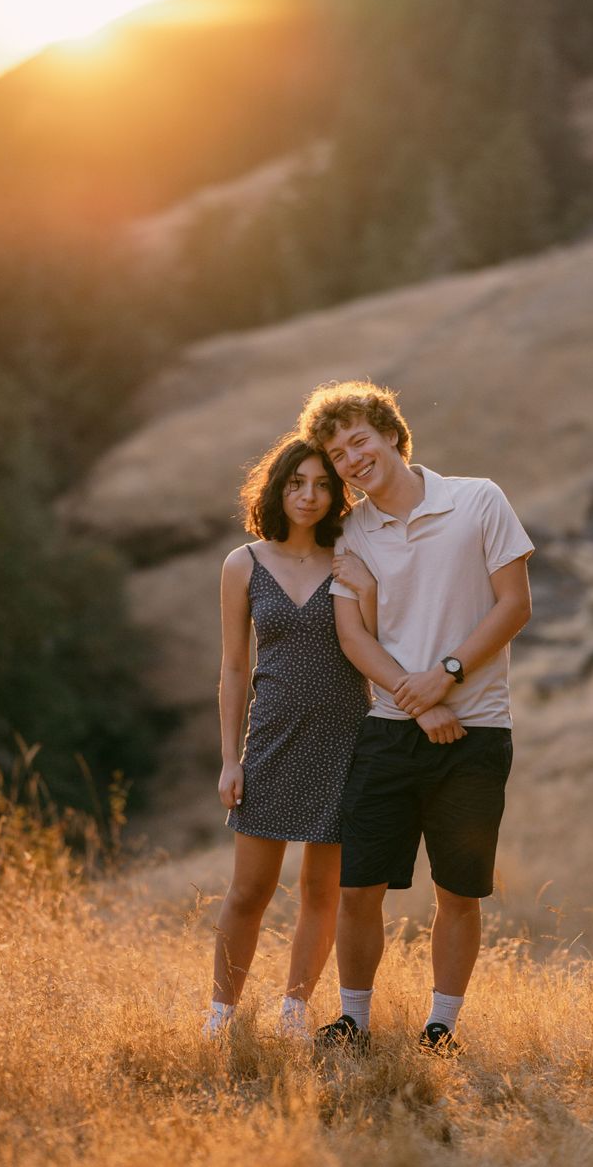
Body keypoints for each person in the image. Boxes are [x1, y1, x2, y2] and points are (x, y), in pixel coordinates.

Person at [297, 380, 533, 1055]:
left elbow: (514, 604)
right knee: (358, 886)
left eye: (359, 441)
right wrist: (418, 700)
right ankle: (354, 1021)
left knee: (457, 892)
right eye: (338, 454)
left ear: (393, 436)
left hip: (478, 731)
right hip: (389, 731)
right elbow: (354, 637)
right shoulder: (351, 533)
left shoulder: (478, 500)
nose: (352, 459)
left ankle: (441, 1027)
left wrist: (445, 675)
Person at [205, 433, 374, 1040]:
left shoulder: (350, 557)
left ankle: (293, 1015)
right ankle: (220, 1018)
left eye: (324, 484)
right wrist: (230, 759)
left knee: (321, 892)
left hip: (345, 740)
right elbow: (233, 667)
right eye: (297, 483)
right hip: (271, 741)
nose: (309, 495)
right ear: (277, 488)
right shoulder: (243, 564)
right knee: (248, 891)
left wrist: (367, 586)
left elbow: (376, 642)